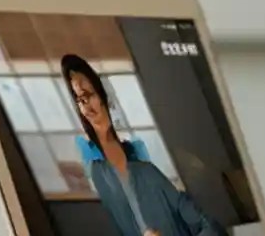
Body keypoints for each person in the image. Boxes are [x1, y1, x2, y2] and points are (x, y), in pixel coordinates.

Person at [60, 54, 226, 236]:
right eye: (79, 100)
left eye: (87, 96)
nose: (85, 107)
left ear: (102, 95)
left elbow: (207, 224)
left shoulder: (147, 171)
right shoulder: (96, 174)